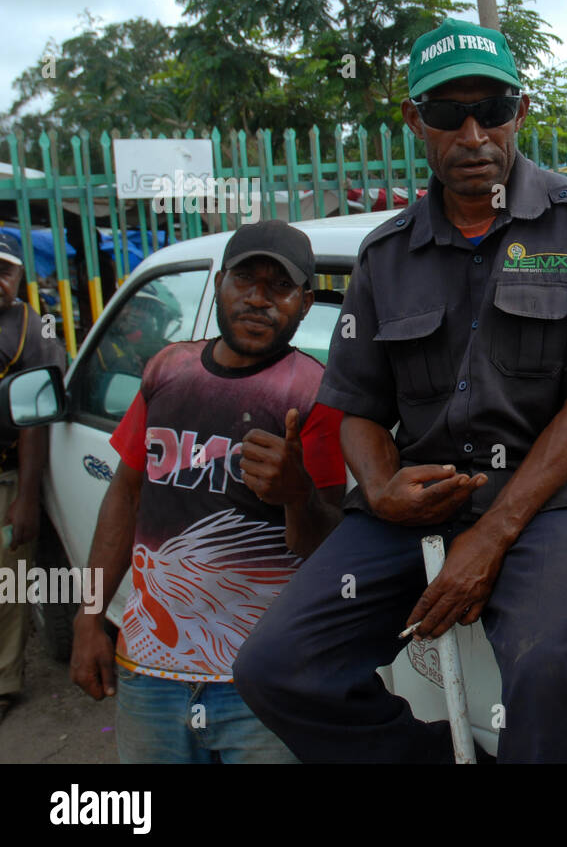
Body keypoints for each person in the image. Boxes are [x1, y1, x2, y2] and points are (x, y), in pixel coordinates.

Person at [233, 17, 567, 763]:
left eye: (490, 110)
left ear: (521, 111)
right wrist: (383, 484)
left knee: (544, 666)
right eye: (445, 113)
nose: (471, 133)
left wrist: (492, 534)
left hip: (558, 502)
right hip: (415, 506)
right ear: (413, 121)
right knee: (276, 668)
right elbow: (356, 404)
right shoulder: (386, 252)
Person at [69, 220, 346, 762]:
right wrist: (88, 617)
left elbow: (328, 551)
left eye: (281, 287)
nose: (259, 299)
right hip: (150, 671)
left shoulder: (315, 395)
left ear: (306, 302)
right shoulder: (166, 371)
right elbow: (125, 497)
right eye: (246, 279)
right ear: (219, 283)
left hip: (259, 681)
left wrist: (297, 494)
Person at [0, 234, 67, 725]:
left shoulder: (33, 330)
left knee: (7, 583)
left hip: (4, 477)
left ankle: (4, 682)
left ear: (19, 277)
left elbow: (37, 418)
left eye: (4, 271)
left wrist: (25, 497)